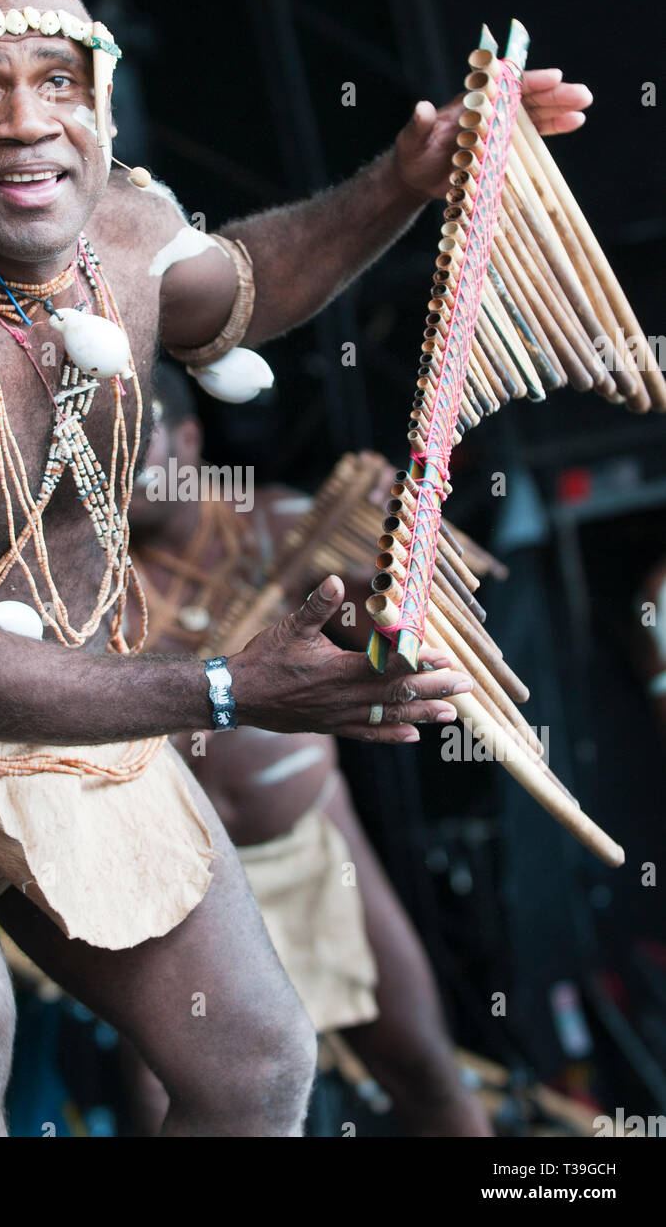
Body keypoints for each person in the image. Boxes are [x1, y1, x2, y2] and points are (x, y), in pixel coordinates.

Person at [0, 0, 591, 1137]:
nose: (27, 124)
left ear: (101, 94)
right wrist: (235, 686)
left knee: (253, 1062)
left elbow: (236, 287)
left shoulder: (127, 233)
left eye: (57, 81)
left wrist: (401, 183)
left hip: (41, 668)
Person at [124, 363, 491, 1136]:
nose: (122, 458)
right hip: (173, 886)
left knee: (424, 1067)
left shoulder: (283, 527)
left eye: (141, 433)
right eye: (104, 442)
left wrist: (387, 607)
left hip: (319, 851)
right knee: (172, 1109)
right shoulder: (86, 584)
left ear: (190, 438)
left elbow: (400, 659)